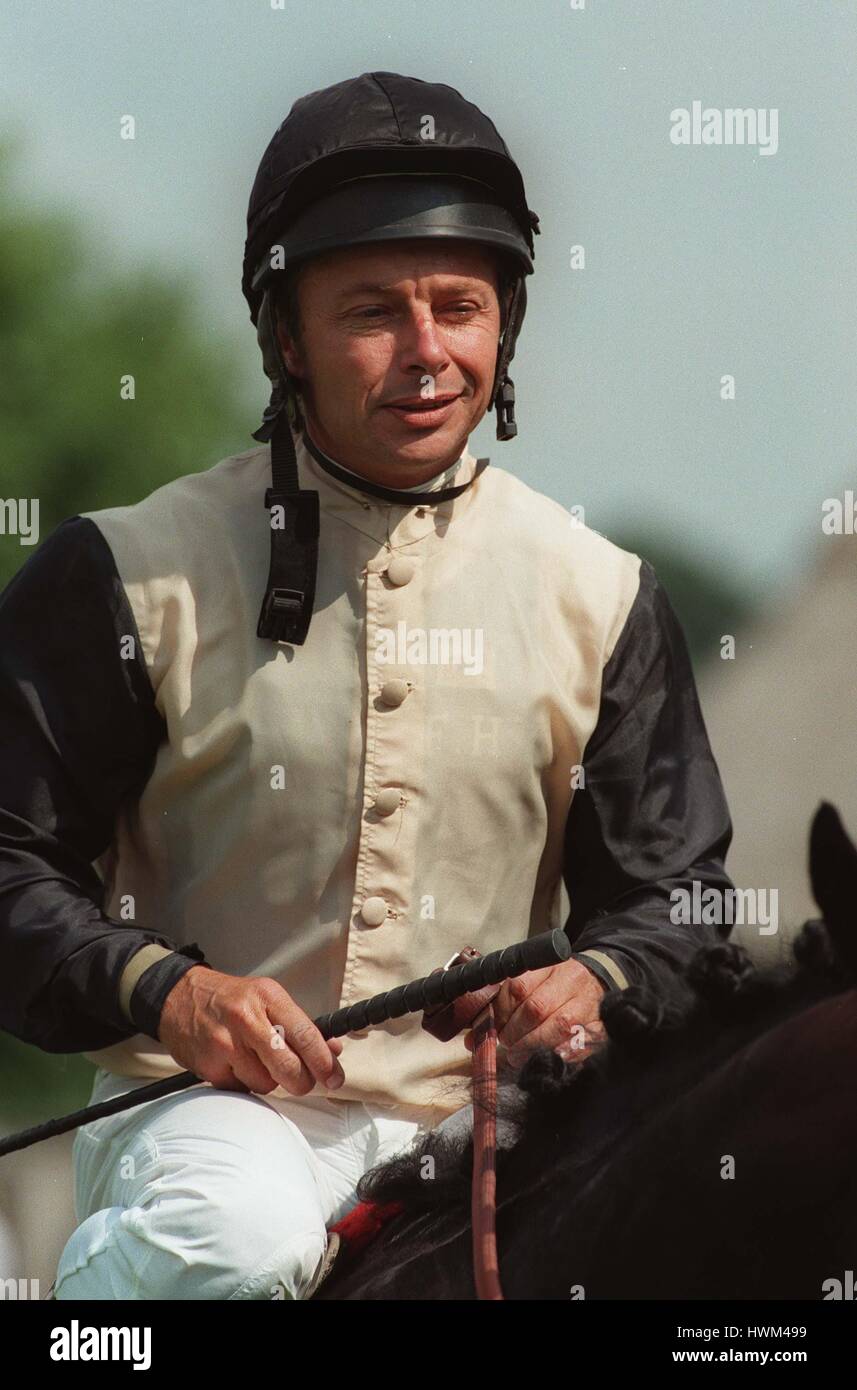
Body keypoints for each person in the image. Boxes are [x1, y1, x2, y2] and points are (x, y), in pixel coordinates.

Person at [0, 71, 734, 1300]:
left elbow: (683, 903)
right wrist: (167, 992)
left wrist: (594, 982)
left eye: (459, 307)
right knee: (232, 1247)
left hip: (496, 1128)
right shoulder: (118, 571)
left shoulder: (601, 593)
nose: (427, 352)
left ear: (505, 326)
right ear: (284, 333)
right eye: (372, 312)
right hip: (206, 1127)